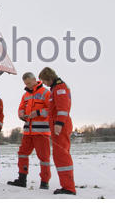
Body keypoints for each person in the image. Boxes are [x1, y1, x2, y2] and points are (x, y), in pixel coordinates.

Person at [7, 72, 51, 189]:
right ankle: (22, 180)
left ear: (35, 79)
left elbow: (51, 109)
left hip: (41, 132)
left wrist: (37, 113)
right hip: (28, 132)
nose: (29, 85)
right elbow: (21, 107)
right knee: (22, 154)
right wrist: (21, 114)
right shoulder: (25, 95)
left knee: (44, 157)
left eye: (29, 83)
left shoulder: (46, 93)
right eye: (26, 84)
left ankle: (44, 182)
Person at [39, 67, 76, 195]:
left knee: (62, 156)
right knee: (59, 156)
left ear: (49, 78)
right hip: (57, 125)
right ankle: (66, 185)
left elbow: (63, 108)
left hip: (61, 126)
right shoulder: (56, 88)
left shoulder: (60, 88)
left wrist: (59, 124)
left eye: (44, 81)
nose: (44, 84)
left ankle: (69, 187)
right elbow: (52, 109)